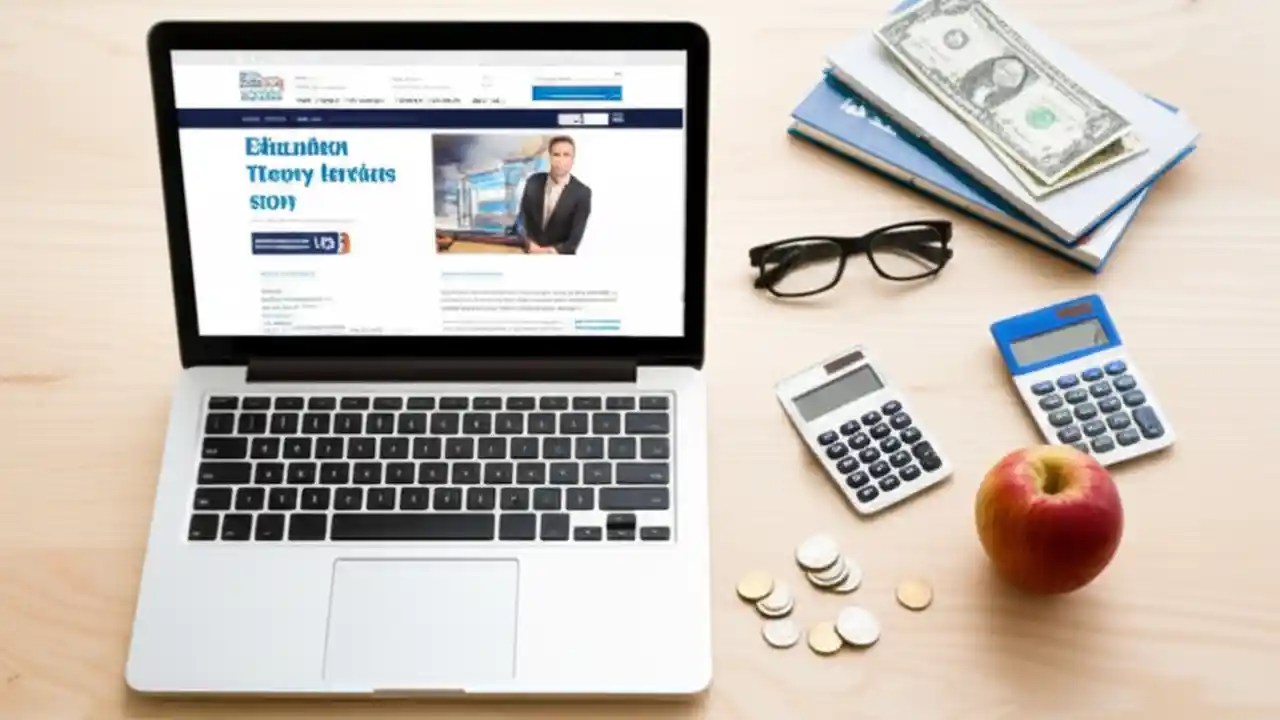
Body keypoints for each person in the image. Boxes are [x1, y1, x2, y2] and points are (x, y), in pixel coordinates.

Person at [516, 135, 592, 255]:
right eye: (556, 154)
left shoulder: (582, 193)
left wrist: (549, 252)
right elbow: (521, 221)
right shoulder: (533, 182)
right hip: (530, 254)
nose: (560, 160)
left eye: (566, 155)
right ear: (549, 157)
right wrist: (529, 244)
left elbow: (574, 240)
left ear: (573, 159)